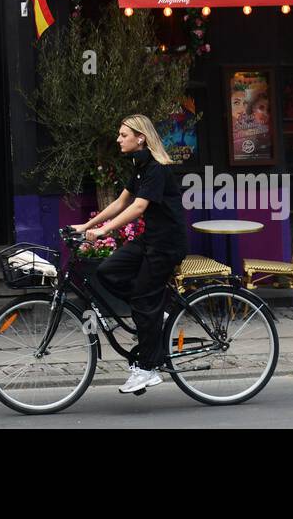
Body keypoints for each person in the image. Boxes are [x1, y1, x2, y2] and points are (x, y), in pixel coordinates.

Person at [74, 114, 188, 396]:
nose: (118, 139)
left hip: (165, 244)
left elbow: (137, 208)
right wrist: (87, 226)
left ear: (141, 138)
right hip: (150, 239)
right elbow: (121, 202)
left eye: (123, 135)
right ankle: (154, 311)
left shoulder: (157, 169)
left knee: (142, 301)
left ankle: (148, 369)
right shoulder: (140, 166)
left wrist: (104, 232)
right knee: (106, 272)